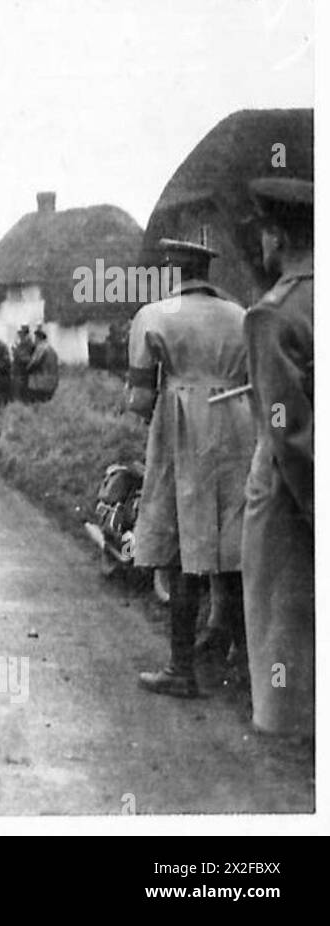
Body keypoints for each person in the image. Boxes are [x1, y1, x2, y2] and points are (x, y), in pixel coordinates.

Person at [129, 239, 254, 699]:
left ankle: (181, 669)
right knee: (234, 541)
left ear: (172, 273)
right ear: (206, 270)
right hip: (239, 423)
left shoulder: (155, 316)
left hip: (183, 427)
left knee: (185, 543)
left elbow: (140, 399)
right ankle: (247, 668)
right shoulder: (242, 315)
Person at [240, 177, 314, 736]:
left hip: (296, 496)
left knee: (285, 620)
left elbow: (288, 429)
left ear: (277, 236)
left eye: (264, 231)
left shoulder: (274, 314)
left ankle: (293, 728)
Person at [24, 329, 58, 402]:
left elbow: (35, 362)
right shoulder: (51, 348)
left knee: (37, 402)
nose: (34, 340)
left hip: (41, 383)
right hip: (52, 381)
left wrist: (26, 370)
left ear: (38, 338)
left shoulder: (41, 348)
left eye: (35, 338)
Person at [11, 325, 34, 401]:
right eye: (19, 333)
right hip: (19, 368)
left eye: (21, 333)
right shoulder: (22, 342)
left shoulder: (28, 343)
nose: (19, 335)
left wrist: (16, 352)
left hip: (23, 369)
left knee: (22, 387)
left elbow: (26, 357)